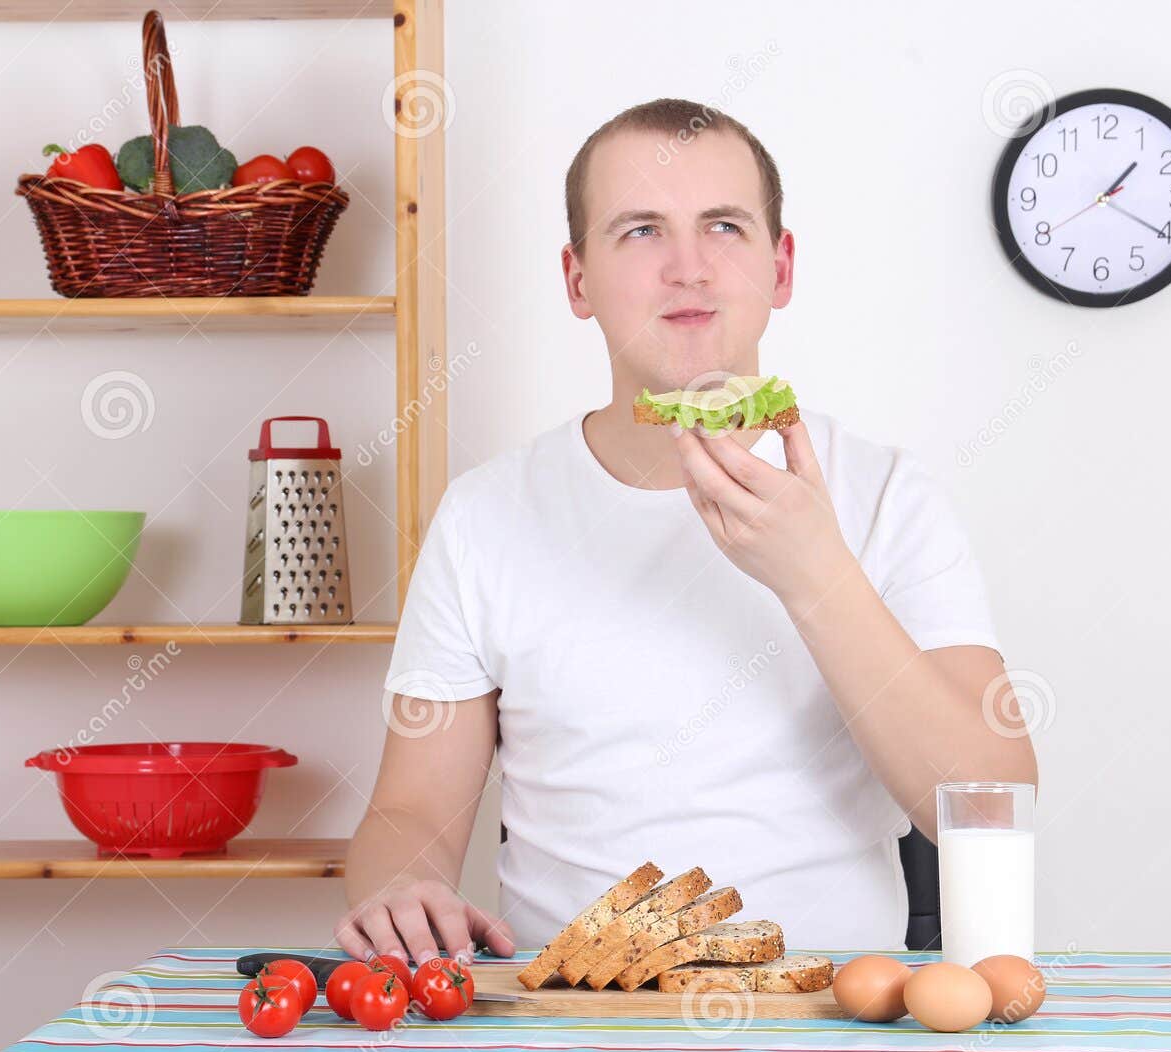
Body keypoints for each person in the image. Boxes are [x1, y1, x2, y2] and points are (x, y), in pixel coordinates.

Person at [335, 98, 1038, 968]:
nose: (689, 268)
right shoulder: (485, 515)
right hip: (570, 1023)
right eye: (639, 231)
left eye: (725, 227)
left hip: (839, 1022)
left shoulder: (890, 493)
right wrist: (401, 891)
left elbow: (993, 802)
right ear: (577, 279)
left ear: (781, 268)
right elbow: (408, 813)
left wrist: (814, 572)